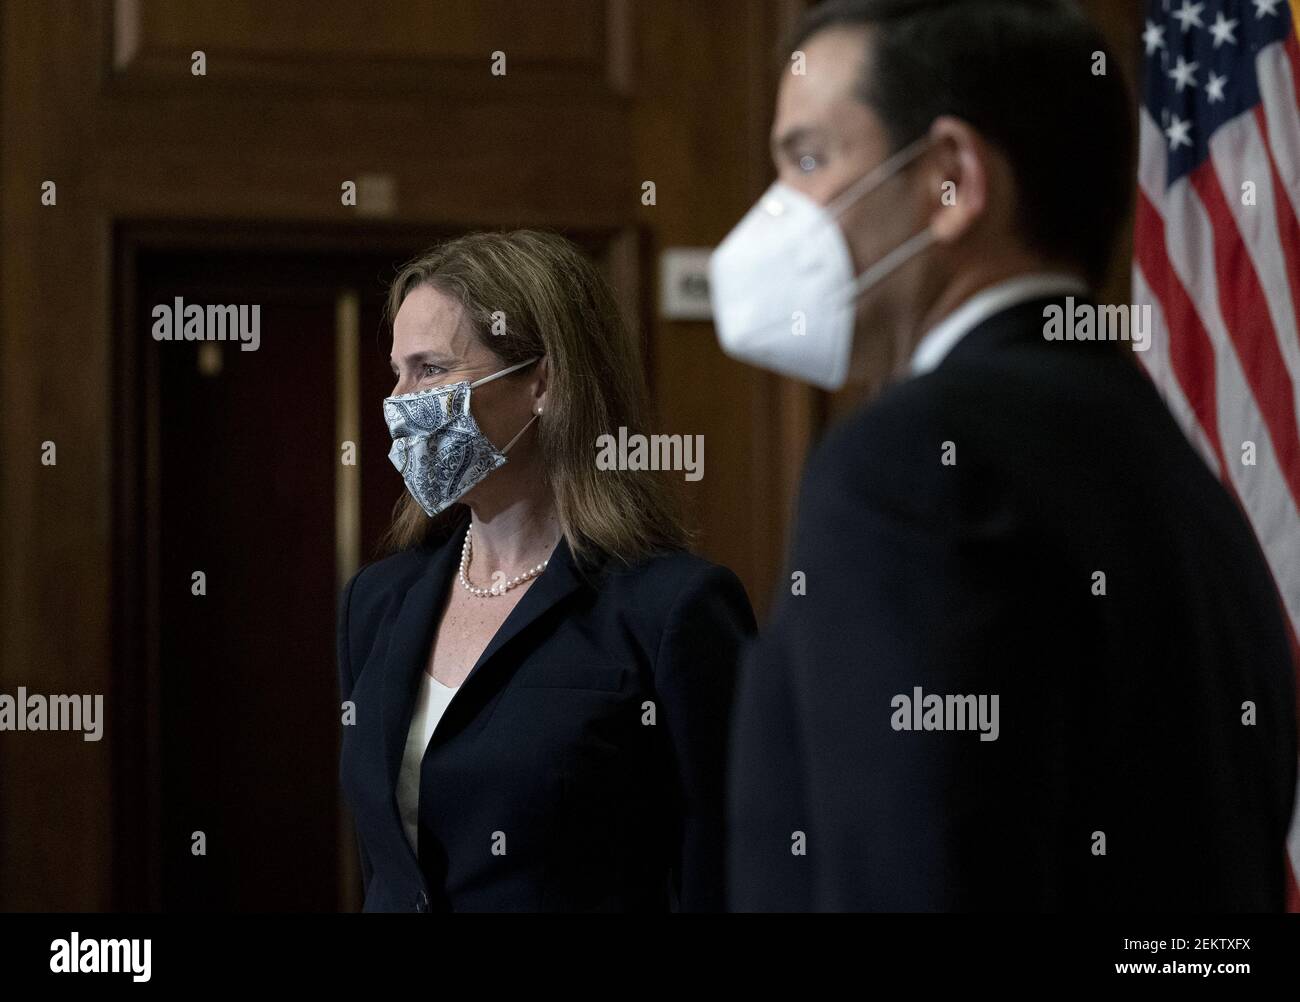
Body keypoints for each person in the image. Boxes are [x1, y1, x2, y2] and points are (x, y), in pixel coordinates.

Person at [713, 0, 1296, 910]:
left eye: (812, 158)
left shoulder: (908, 463)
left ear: (951, 180)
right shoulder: (1178, 470)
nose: (777, 210)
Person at [338, 230, 755, 912]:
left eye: (430, 369)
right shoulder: (377, 603)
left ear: (542, 382)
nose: (398, 402)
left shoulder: (671, 610)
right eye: (397, 371)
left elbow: (726, 876)